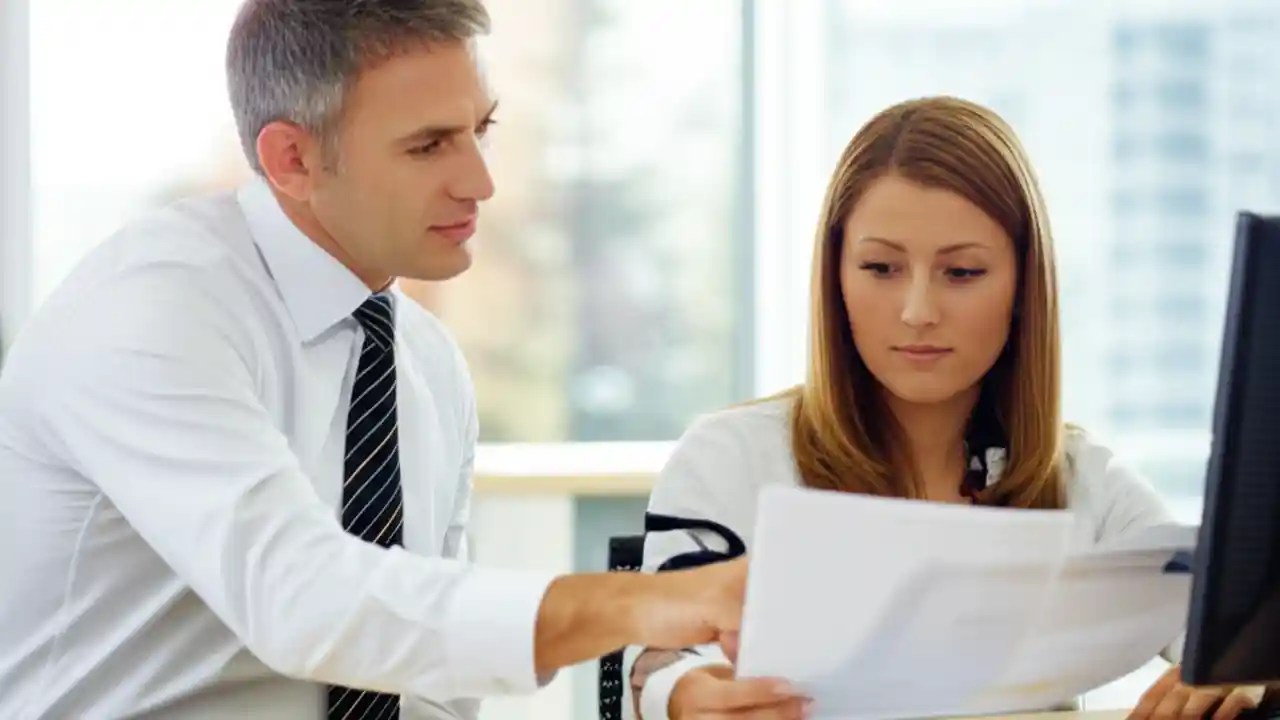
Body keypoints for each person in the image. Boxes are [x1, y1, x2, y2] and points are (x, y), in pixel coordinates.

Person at [0, 2, 800, 718]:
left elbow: (427, 682)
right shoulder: (153, 312)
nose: (480, 182)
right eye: (429, 146)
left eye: (480, 130)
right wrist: (644, 605)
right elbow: (302, 599)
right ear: (292, 161)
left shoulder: (424, 362)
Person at [623, 96, 1271, 720]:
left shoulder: (1082, 478)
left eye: (961, 273)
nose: (917, 311)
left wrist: (1244, 668)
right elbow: (661, 660)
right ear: (834, 278)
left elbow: (1226, 630)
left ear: (1023, 286)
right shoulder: (731, 457)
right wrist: (686, 695)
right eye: (880, 268)